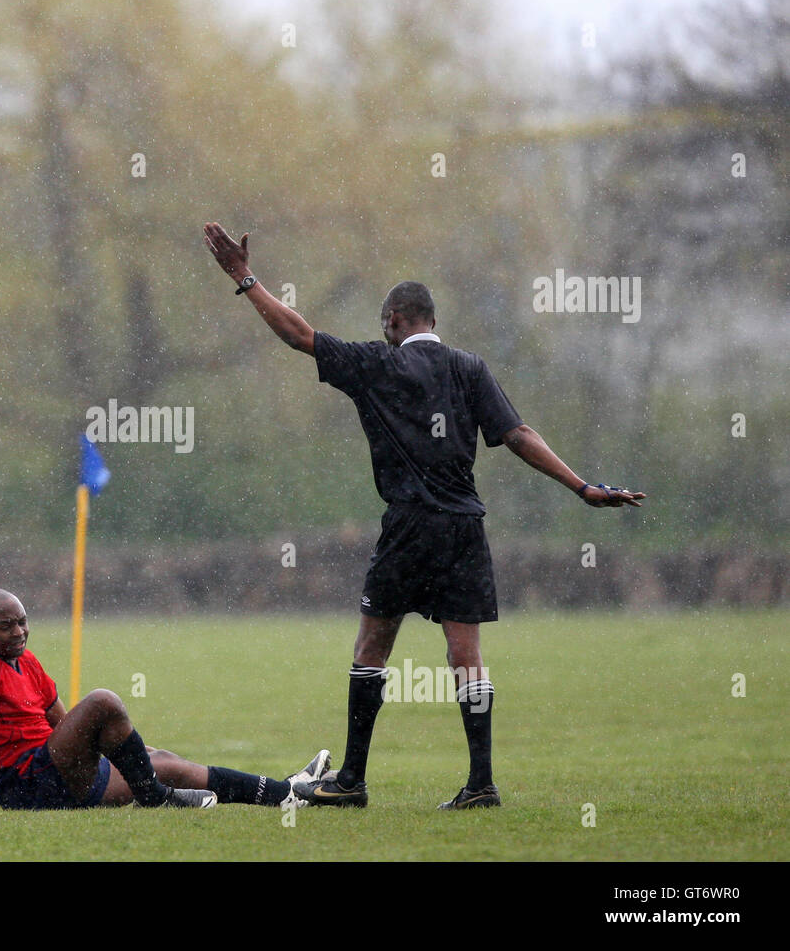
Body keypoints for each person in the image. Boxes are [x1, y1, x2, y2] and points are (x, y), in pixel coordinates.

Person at [203, 221, 646, 810]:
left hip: (410, 525)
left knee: (371, 650)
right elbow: (517, 434)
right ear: (432, 322)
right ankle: (481, 783)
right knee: (467, 658)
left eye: (384, 324)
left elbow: (297, 334)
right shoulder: (470, 368)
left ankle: (352, 779)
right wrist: (582, 486)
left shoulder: (377, 365)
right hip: (465, 525)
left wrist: (245, 279)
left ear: (392, 323)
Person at [0, 588, 329, 811]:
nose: (19, 632)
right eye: (6, 626)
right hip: (27, 785)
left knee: (164, 762)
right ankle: (154, 799)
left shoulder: (24, 660)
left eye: (23, 622)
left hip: (54, 769)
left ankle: (289, 792)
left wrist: (100, 751)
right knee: (103, 701)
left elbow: (59, 721)